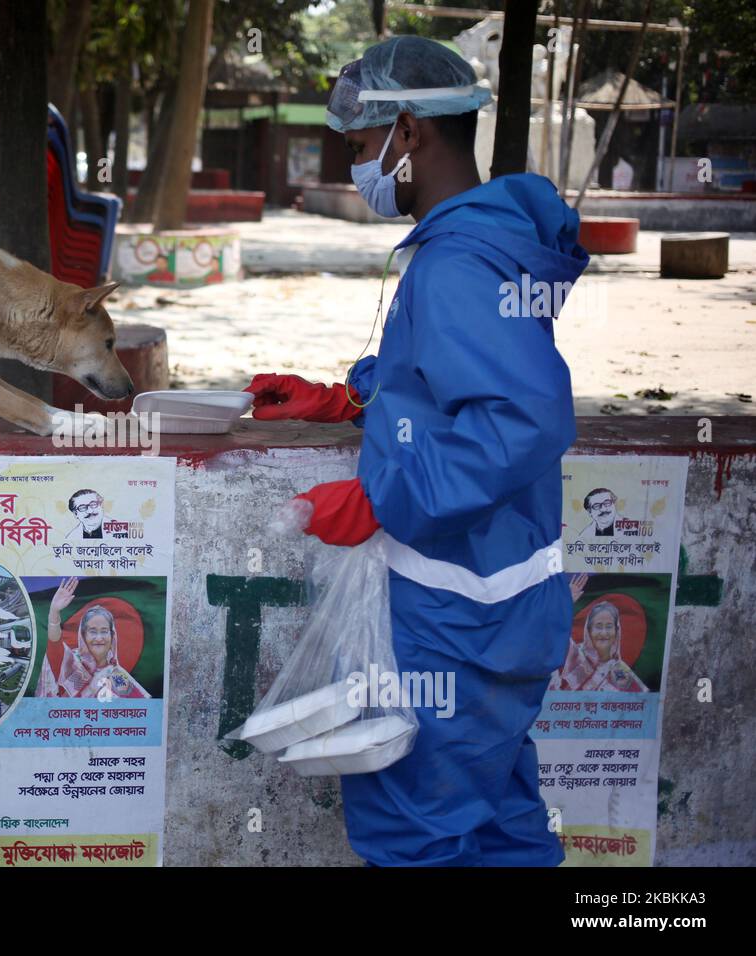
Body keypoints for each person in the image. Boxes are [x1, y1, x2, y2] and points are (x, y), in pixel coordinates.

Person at [246, 36, 588, 866]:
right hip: (504, 605)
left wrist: (383, 497)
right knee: (500, 824)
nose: (359, 166)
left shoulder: (457, 264)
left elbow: (524, 418)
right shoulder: (482, 246)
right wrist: (355, 397)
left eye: (362, 147)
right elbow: (452, 382)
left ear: (408, 132)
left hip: (454, 615)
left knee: (418, 836)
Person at [36, 578, 149, 699]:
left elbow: (142, 709)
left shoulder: (118, 677)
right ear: (83, 635)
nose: (99, 638)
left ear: (112, 636)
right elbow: (54, 643)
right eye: (93, 631)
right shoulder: (71, 664)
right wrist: (54, 612)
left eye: (104, 631)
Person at [549, 600, 648, 692]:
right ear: (589, 630)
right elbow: (550, 632)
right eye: (598, 626)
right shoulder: (575, 654)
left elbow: (643, 702)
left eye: (609, 627)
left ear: (616, 631)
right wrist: (563, 603)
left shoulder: (620, 671)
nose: (604, 633)